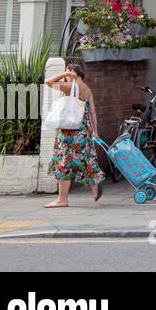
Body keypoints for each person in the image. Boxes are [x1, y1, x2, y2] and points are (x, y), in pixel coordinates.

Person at [43, 62, 105, 207]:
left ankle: (62, 199)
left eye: (67, 72)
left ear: (72, 72)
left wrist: (66, 75)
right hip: (84, 129)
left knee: (63, 161)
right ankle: (94, 184)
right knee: (85, 159)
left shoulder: (71, 86)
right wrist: (95, 131)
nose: (65, 77)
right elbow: (92, 112)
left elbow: (48, 82)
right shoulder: (87, 89)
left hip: (69, 130)